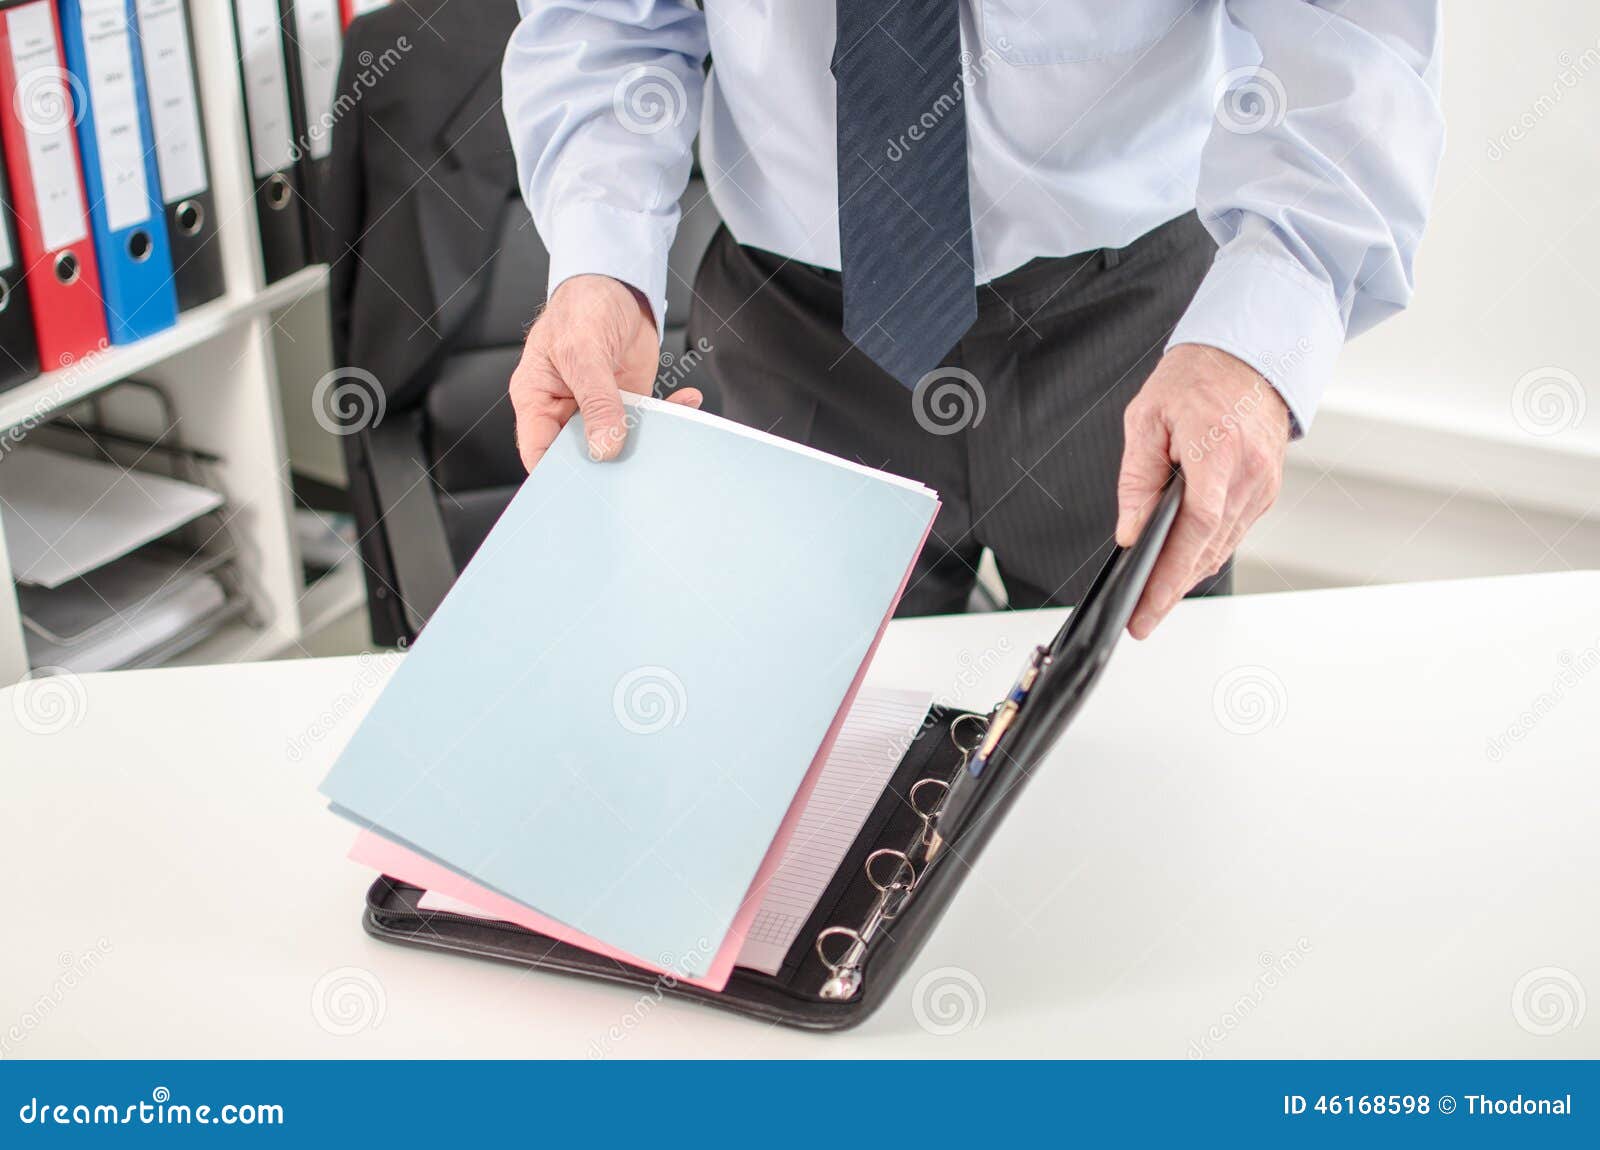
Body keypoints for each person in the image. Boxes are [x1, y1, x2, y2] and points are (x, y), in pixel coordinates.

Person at [502, 1, 1443, 633]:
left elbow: (1350, 34)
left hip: (1136, 341)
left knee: (1129, 767)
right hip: (794, 335)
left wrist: (1261, 339)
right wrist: (600, 260)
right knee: (808, 787)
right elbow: (603, 17)